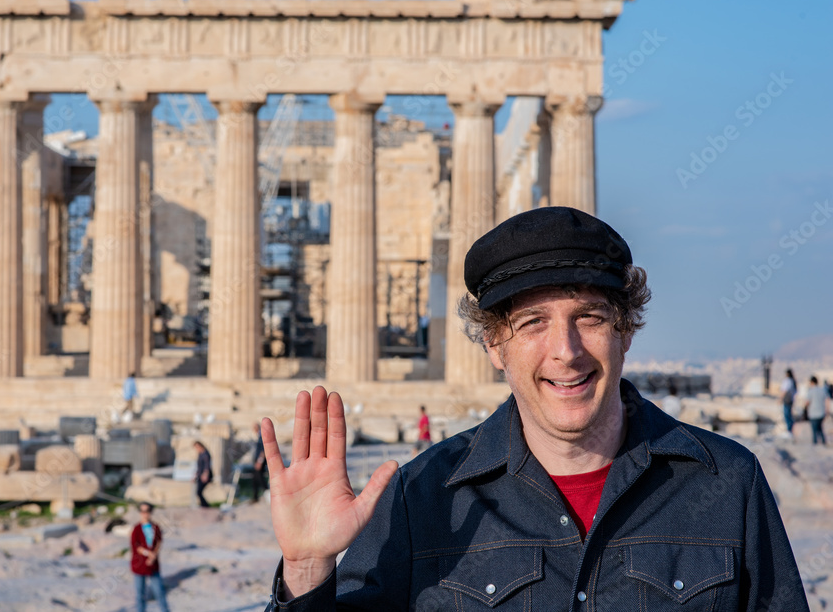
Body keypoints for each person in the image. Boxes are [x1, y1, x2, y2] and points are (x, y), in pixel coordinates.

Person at [260, 206, 807, 610]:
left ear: (625, 332)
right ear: (495, 345)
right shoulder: (421, 498)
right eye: (533, 323)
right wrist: (308, 569)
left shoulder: (728, 484)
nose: (566, 353)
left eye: (589, 318)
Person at [130, 503, 169, 612]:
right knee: (140, 594)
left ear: (150, 512)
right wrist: (148, 554)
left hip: (153, 565)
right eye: (142, 511)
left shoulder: (156, 527)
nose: (144, 513)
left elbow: (158, 542)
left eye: (147, 511)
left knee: (159, 592)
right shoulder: (136, 528)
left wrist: (153, 556)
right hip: (139, 564)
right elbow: (135, 545)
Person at [804, 375, 828, 445]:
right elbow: (827, 400)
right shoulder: (822, 390)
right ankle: (824, 443)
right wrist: (827, 410)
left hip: (813, 414)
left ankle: (815, 445)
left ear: (811, 382)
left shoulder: (810, 391)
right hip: (821, 413)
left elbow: (807, 402)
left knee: (814, 431)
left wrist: (805, 409)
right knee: (820, 430)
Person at [251, 423, 269, 503]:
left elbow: (263, 450)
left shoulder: (261, 436)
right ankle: (255, 496)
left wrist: (260, 461)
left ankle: (267, 492)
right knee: (255, 478)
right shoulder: (259, 436)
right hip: (258, 460)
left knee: (260, 478)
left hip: (260, 461)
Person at [193, 441, 213, 508]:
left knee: (199, 491)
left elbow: (207, 465)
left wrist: (205, 475)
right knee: (198, 492)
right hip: (200, 475)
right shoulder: (200, 454)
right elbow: (199, 467)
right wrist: (195, 475)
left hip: (204, 475)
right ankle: (204, 505)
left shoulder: (206, 454)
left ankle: (205, 506)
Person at [780, 368, 797, 439]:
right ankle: (790, 431)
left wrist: (780, 399)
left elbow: (784, 390)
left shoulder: (787, 381)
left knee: (787, 415)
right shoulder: (793, 381)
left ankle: (789, 431)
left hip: (786, 400)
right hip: (791, 400)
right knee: (789, 415)